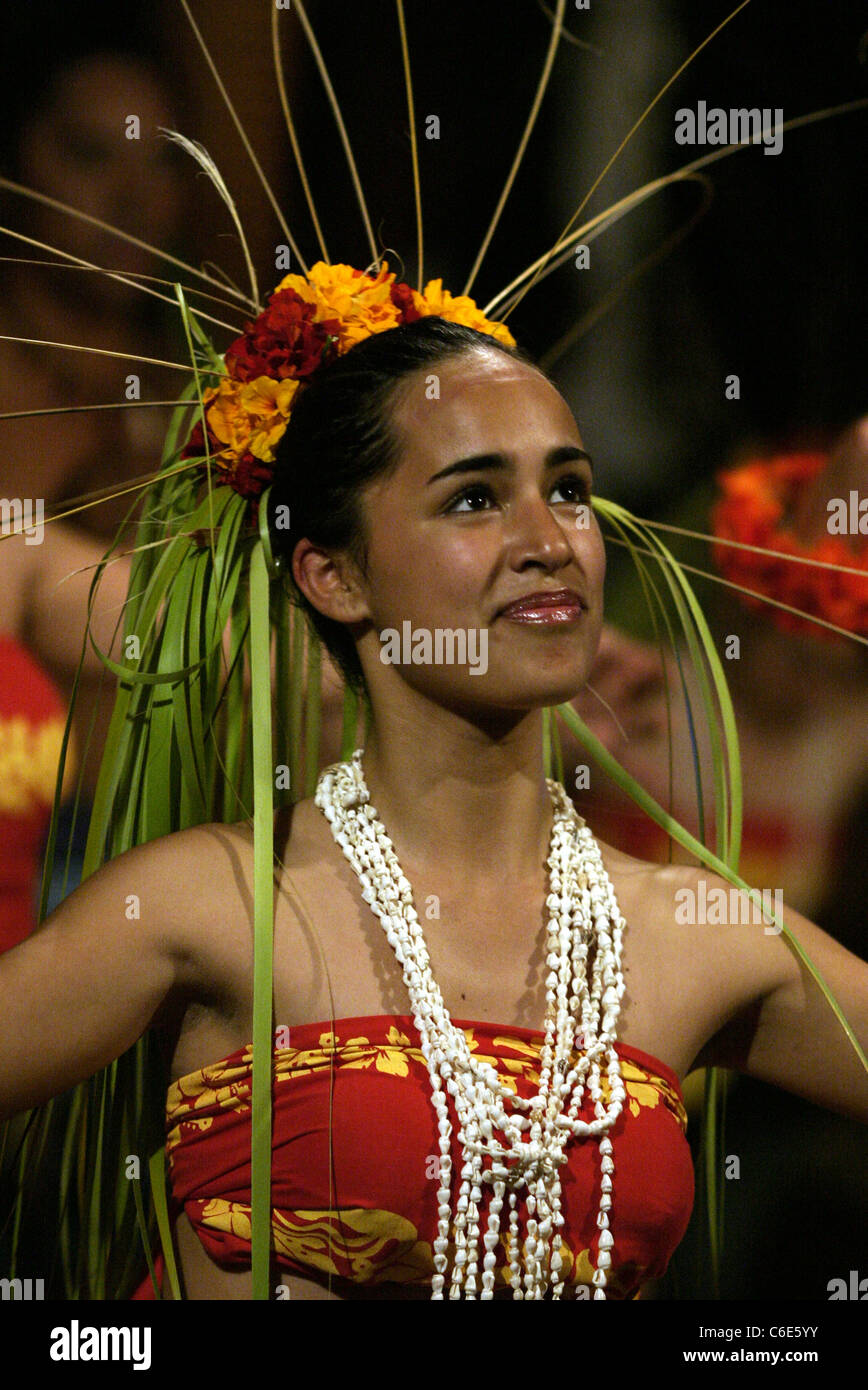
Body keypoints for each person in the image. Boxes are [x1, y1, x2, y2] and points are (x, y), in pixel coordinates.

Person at [1, 309, 865, 1301]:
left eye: (569, 491)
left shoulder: (703, 938)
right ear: (334, 574)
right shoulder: (210, 906)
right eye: (473, 500)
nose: (546, 539)